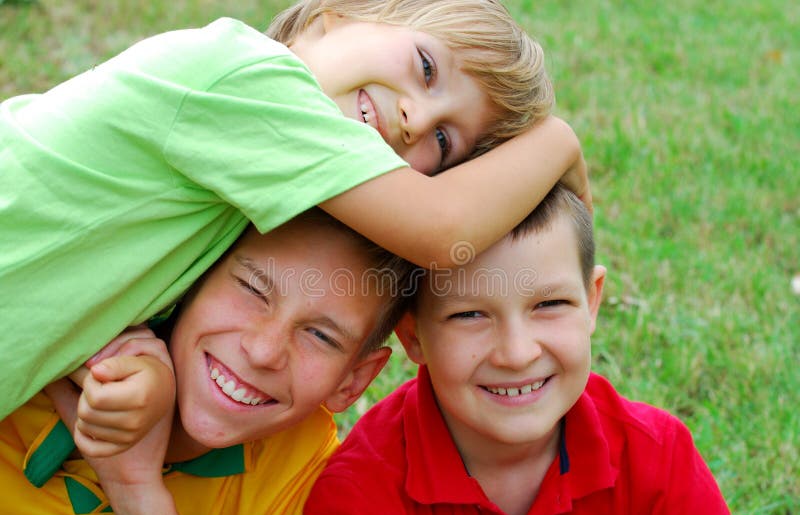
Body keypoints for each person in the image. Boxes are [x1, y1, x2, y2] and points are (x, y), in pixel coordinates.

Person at [0, 0, 588, 420]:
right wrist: (559, 143)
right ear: (338, 13)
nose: (415, 119)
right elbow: (443, 232)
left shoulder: (249, 182)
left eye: (442, 144)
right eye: (426, 69)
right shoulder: (250, 79)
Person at [302, 185, 739, 515]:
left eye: (549, 304)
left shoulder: (656, 458)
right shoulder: (361, 495)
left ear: (592, 301)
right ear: (413, 335)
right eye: (469, 314)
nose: (516, 354)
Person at [0, 209, 418, 515]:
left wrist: (137, 491)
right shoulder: (37, 343)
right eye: (254, 290)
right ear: (192, 276)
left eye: (321, 337)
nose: (262, 351)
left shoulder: (303, 484)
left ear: (353, 381)